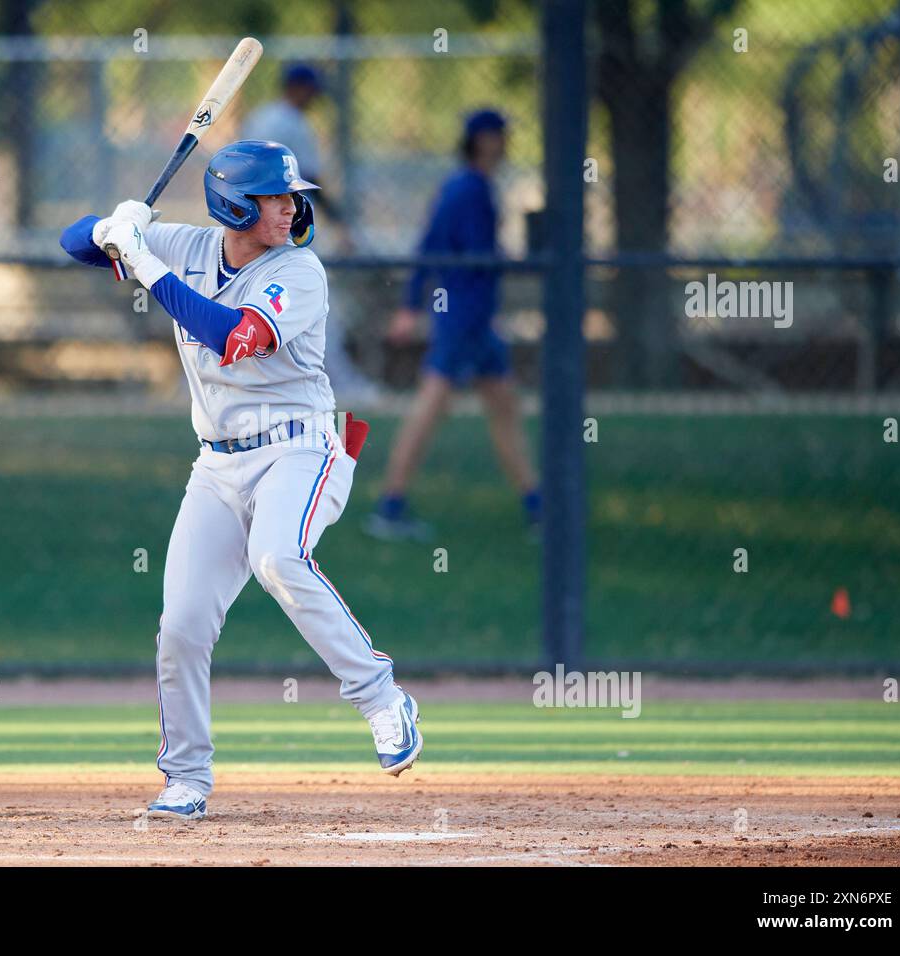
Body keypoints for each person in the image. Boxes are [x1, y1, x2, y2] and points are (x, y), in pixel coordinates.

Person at [60, 140, 422, 822]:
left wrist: (142, 263)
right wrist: (112, 228)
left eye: (289, 196)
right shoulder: (188, 246)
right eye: (272, 198)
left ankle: (381, 697)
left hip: (301, 448)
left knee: (277, 557)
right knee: (183, 625)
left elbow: (233, 336)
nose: (289, 208)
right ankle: (186, 777)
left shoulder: (301, 271)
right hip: (217, 464)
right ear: (233, 204)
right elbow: (70, 243)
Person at [365, 110, 540, 542]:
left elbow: (444, 247)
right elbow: (446, 248)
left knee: (504, 407)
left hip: (477, 318)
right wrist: (410, 305)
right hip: (464, 317)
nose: (503, 144)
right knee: (431, 406)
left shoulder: (469, 186)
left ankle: (538, 506)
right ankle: (390, 503)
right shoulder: (467, 188)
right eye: (496, 136)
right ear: (481, 140)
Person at [243, 64, 377, 403]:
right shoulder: (293, 122)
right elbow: (310, 182)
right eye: (311, 90)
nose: (314, 98)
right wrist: (340, 224)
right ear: (298, 88)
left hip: (249, 222)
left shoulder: (260, 116)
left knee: (251, 299)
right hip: (285, 223)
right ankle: (335, 379)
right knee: (315, 299)